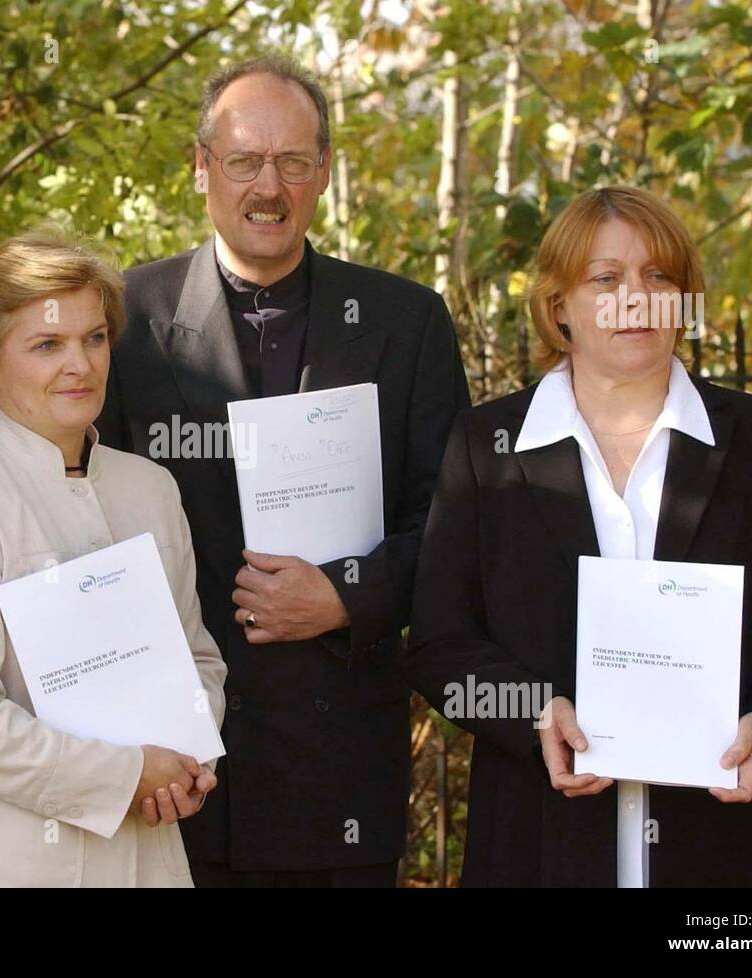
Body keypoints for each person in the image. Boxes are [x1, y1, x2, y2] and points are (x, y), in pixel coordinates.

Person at [406, 185, 752, 887]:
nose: (636, 297)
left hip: (727, 850)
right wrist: (531, 713)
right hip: (541, 845)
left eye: (659, 276)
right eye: (606, 278)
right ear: (559, 307)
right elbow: (439, 643)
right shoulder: (487, 446)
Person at [96, 54, 470, 886]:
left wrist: (347, 595)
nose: (269, 186)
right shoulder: (124, 321)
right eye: (243, 161)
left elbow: (452, 534)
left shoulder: (406, 324)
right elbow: (82, 530)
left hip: (337, 777)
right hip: (178, 771)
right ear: (201, 167)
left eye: (293, 162)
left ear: (325, 173)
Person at [0, 225, 227, 887]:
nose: (80, 364)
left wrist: (186, 759)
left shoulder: (151, 488)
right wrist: (126, 773)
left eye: (94, 338)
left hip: (149, 856)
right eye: (47, 344)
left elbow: (199, 658)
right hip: (7, 861)